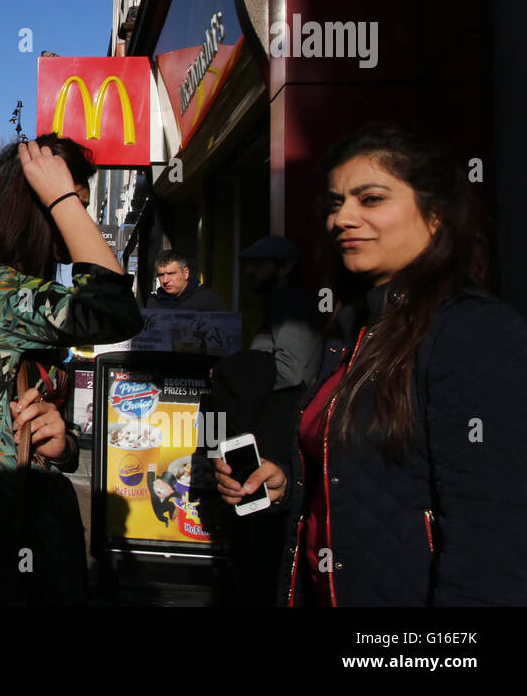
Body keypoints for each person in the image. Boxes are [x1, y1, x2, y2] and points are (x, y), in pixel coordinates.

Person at [214, 125, 527, 606]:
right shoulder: (354, 333)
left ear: (437, 214)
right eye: (335, 204)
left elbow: (491, 533)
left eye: (372, 199)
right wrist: (289, 488)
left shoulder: (472, 332)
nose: (343, 218)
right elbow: (365, 487)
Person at [0, 134, 142, 604]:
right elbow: (116, 309)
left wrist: (61, 444)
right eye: (74, 206)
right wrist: (64, 198)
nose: (80, 223)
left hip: (24, 533)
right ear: (38, 205)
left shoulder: (13, 293)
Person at [238, 235, 321, 390]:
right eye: (248, 264)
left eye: (259, 264)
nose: (249, 270)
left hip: (287, 409)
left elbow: (289, 373)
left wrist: (234, 374)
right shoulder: (278, 302)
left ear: (285, 268)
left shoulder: (291, 303)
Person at [146, 249, 225, 310]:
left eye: (171, 274)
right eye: (161, 275)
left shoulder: (207, 300)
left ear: (186, 273)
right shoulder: (154, 302)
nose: (165, 280)